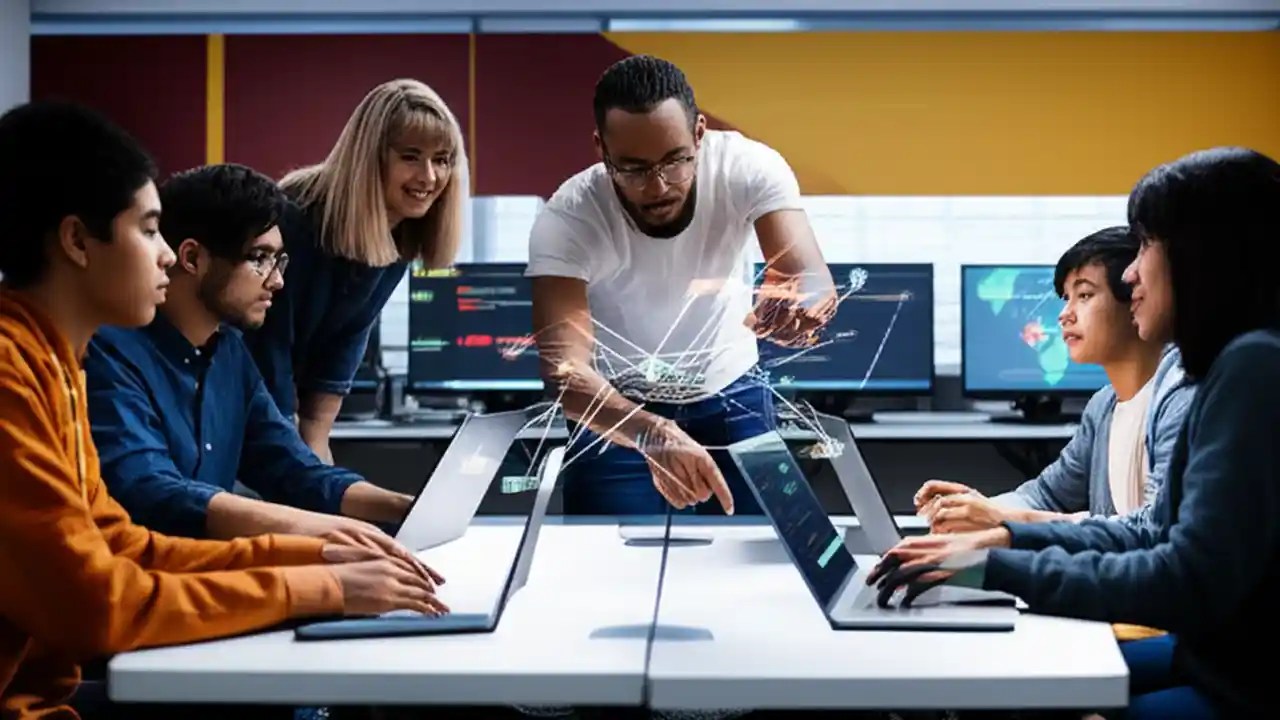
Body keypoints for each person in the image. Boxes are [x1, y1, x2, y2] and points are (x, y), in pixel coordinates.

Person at [0, 101, 446, 719]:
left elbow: (124, 544)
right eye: (148, 229)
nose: (163, 255)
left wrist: (321, 555)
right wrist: (316, 583)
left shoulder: (56, 363)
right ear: (78, 241)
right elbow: (101, 599)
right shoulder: (17, 374)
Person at [869, 146, 1280, 719]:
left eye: (1148, 246)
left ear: (1204, 256)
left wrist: (995, 561)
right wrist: (1002, 540)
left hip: (1244, 684)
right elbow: (1150, 534)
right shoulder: (1223, 369)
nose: (1131, 272)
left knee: (1011, 697)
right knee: (1006, 683)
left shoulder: (1254, 368)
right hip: (1214, 658)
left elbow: (1182, 574)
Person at [527, 55, 837, 516]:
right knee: (608, 566)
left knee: (764, 558)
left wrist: (802, 303)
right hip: (617, 411)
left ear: (699, 134)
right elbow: (564, 374)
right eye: (633, 169)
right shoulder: (569, 217)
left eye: (675, 161)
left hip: (734, 393)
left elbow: (809, 276)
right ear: (601, 148)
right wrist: (650, 431)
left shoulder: (748, 167)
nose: (658, 187)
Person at [83, 164, 420, 549]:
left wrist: (406, 508)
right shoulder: (108, 352)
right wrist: (318, 533)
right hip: (146, 585)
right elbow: (150, 491)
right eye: (259, 257)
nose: (276, 280)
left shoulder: (230, 354)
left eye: (280, 261)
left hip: (211, 576)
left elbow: (294, 469)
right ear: (192, 258)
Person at [242, 79, 469, 463]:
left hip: (277, 417)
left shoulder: (400, 239)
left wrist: (324, 491)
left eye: (442, 159)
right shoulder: (294, 222)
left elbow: (318, 420)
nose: (429, 177)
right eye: (411, 156)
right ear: (372, 158)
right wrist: (307, 488)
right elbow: (268, 352)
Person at [913, 227, 1194, 535]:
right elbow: (1045, 496)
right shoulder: (1103, 407)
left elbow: (1154, 530)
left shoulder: (1181, 398)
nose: (1064, 315)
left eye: (1084, 295)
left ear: (1136, 296)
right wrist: (972, 507)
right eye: (1066, 298)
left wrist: (1000, 518)